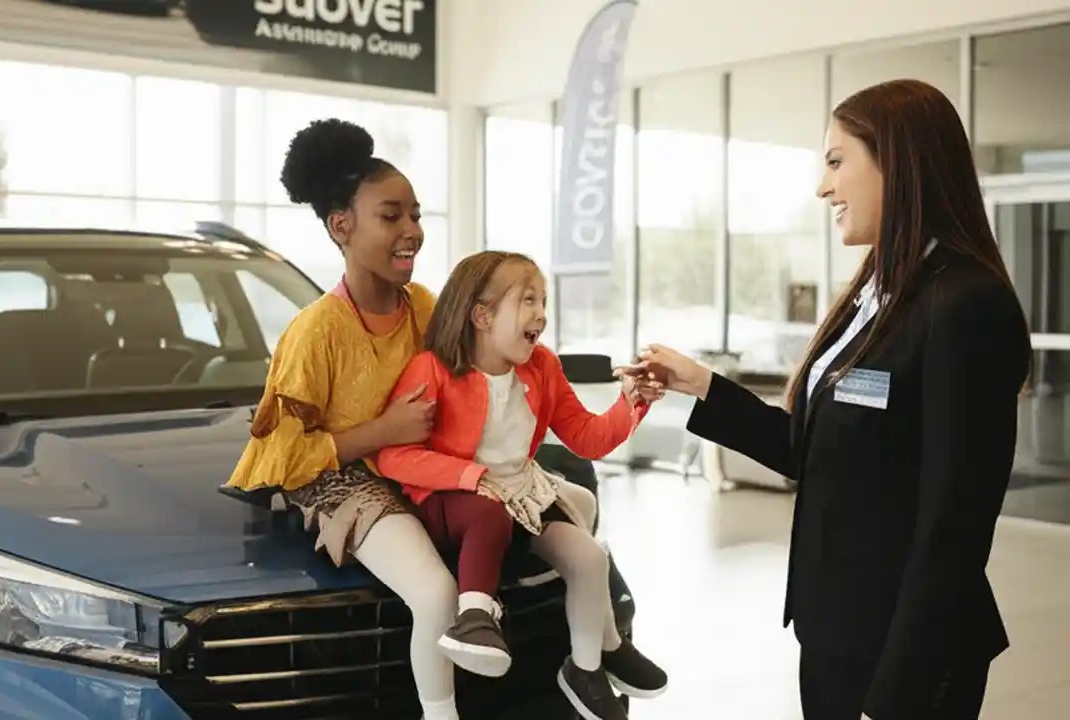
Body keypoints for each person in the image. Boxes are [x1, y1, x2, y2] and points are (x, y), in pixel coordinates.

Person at [627, 79, 1032, 720]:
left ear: (898, 162)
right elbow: (811, 450)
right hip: (835, 631)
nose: (824, 188)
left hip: (908, 656)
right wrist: (701, 384)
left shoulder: (965, 303)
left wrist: (894, 697)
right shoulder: (878, 293)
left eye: (837, 161)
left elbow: (952, 527)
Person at [225, 118, 461, 720]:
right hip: (341, 480)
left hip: (417, 464)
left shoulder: (425, 306)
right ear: (341, 226)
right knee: (436, 592)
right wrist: (383, 433)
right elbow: (286, 461)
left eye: (416, 215)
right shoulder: (314, 332)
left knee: (570, 506)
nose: (412, 231)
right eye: (391, 216)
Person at [377, 251, 669, 720]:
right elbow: (394, 456)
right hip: (453, 500)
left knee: (590, 557)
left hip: (520, 493)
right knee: (488, 514)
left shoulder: (542, 367)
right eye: (528, 300)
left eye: (543, 301)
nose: (541, 314)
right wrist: (469, 476)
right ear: (482, 316)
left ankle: (586, 671)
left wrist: (630, 402)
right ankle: (475, 616)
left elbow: (587, 437)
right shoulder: (432, 370)